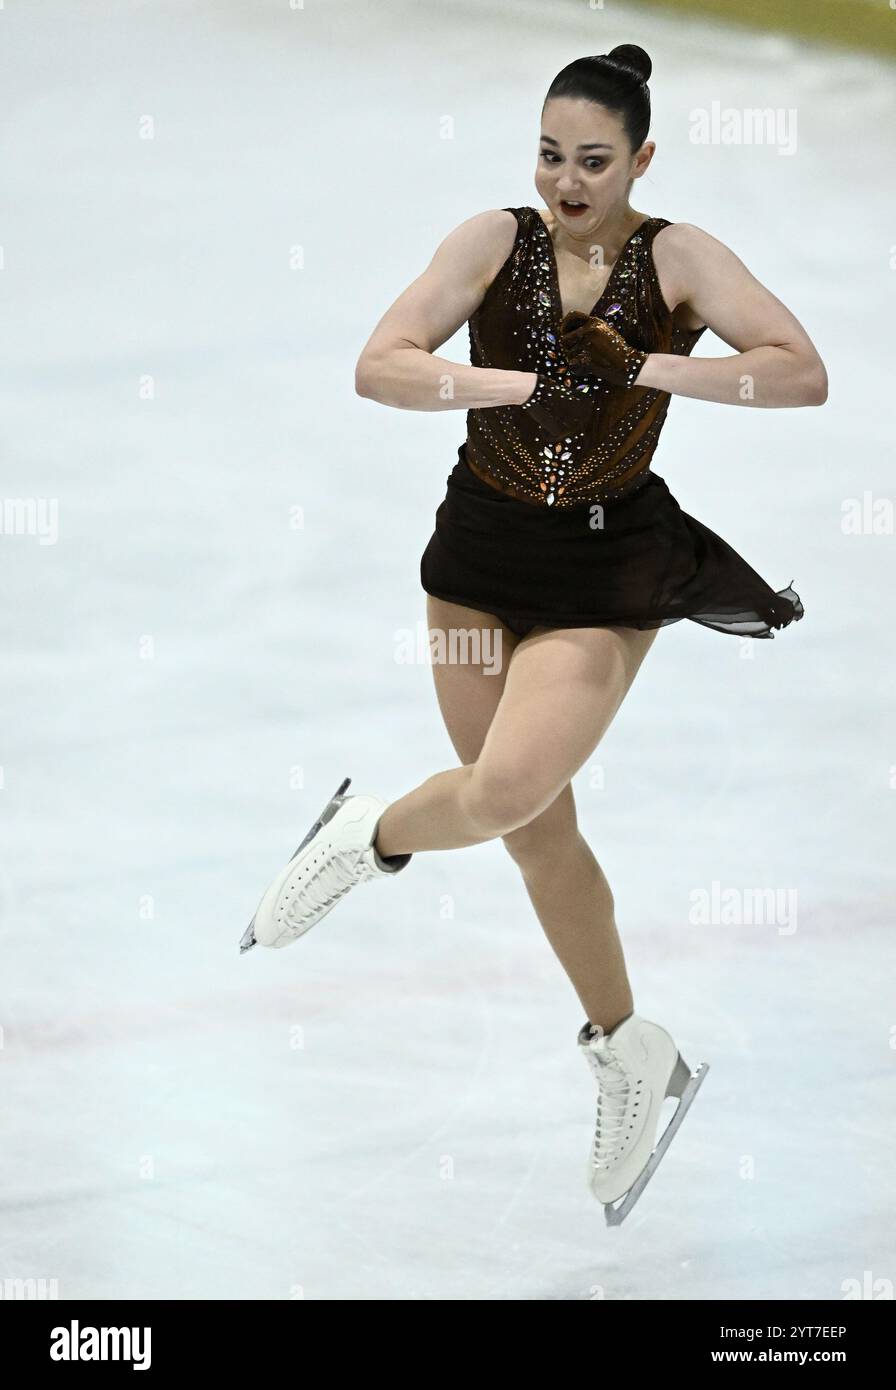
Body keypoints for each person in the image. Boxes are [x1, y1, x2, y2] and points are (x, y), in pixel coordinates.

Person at [240, 46, 827, 1222]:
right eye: (550, 154)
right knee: (533, 831)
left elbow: (799, 373)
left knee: (503, 788)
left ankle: (369, 832)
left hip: (602, 575)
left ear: (640, 160)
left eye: (593, 160)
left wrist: (648, 366)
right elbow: (379, 366)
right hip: (472, 568)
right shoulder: (489, 240)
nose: (567, 180)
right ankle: (630, 1051)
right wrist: (514, 388)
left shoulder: (680, 258)